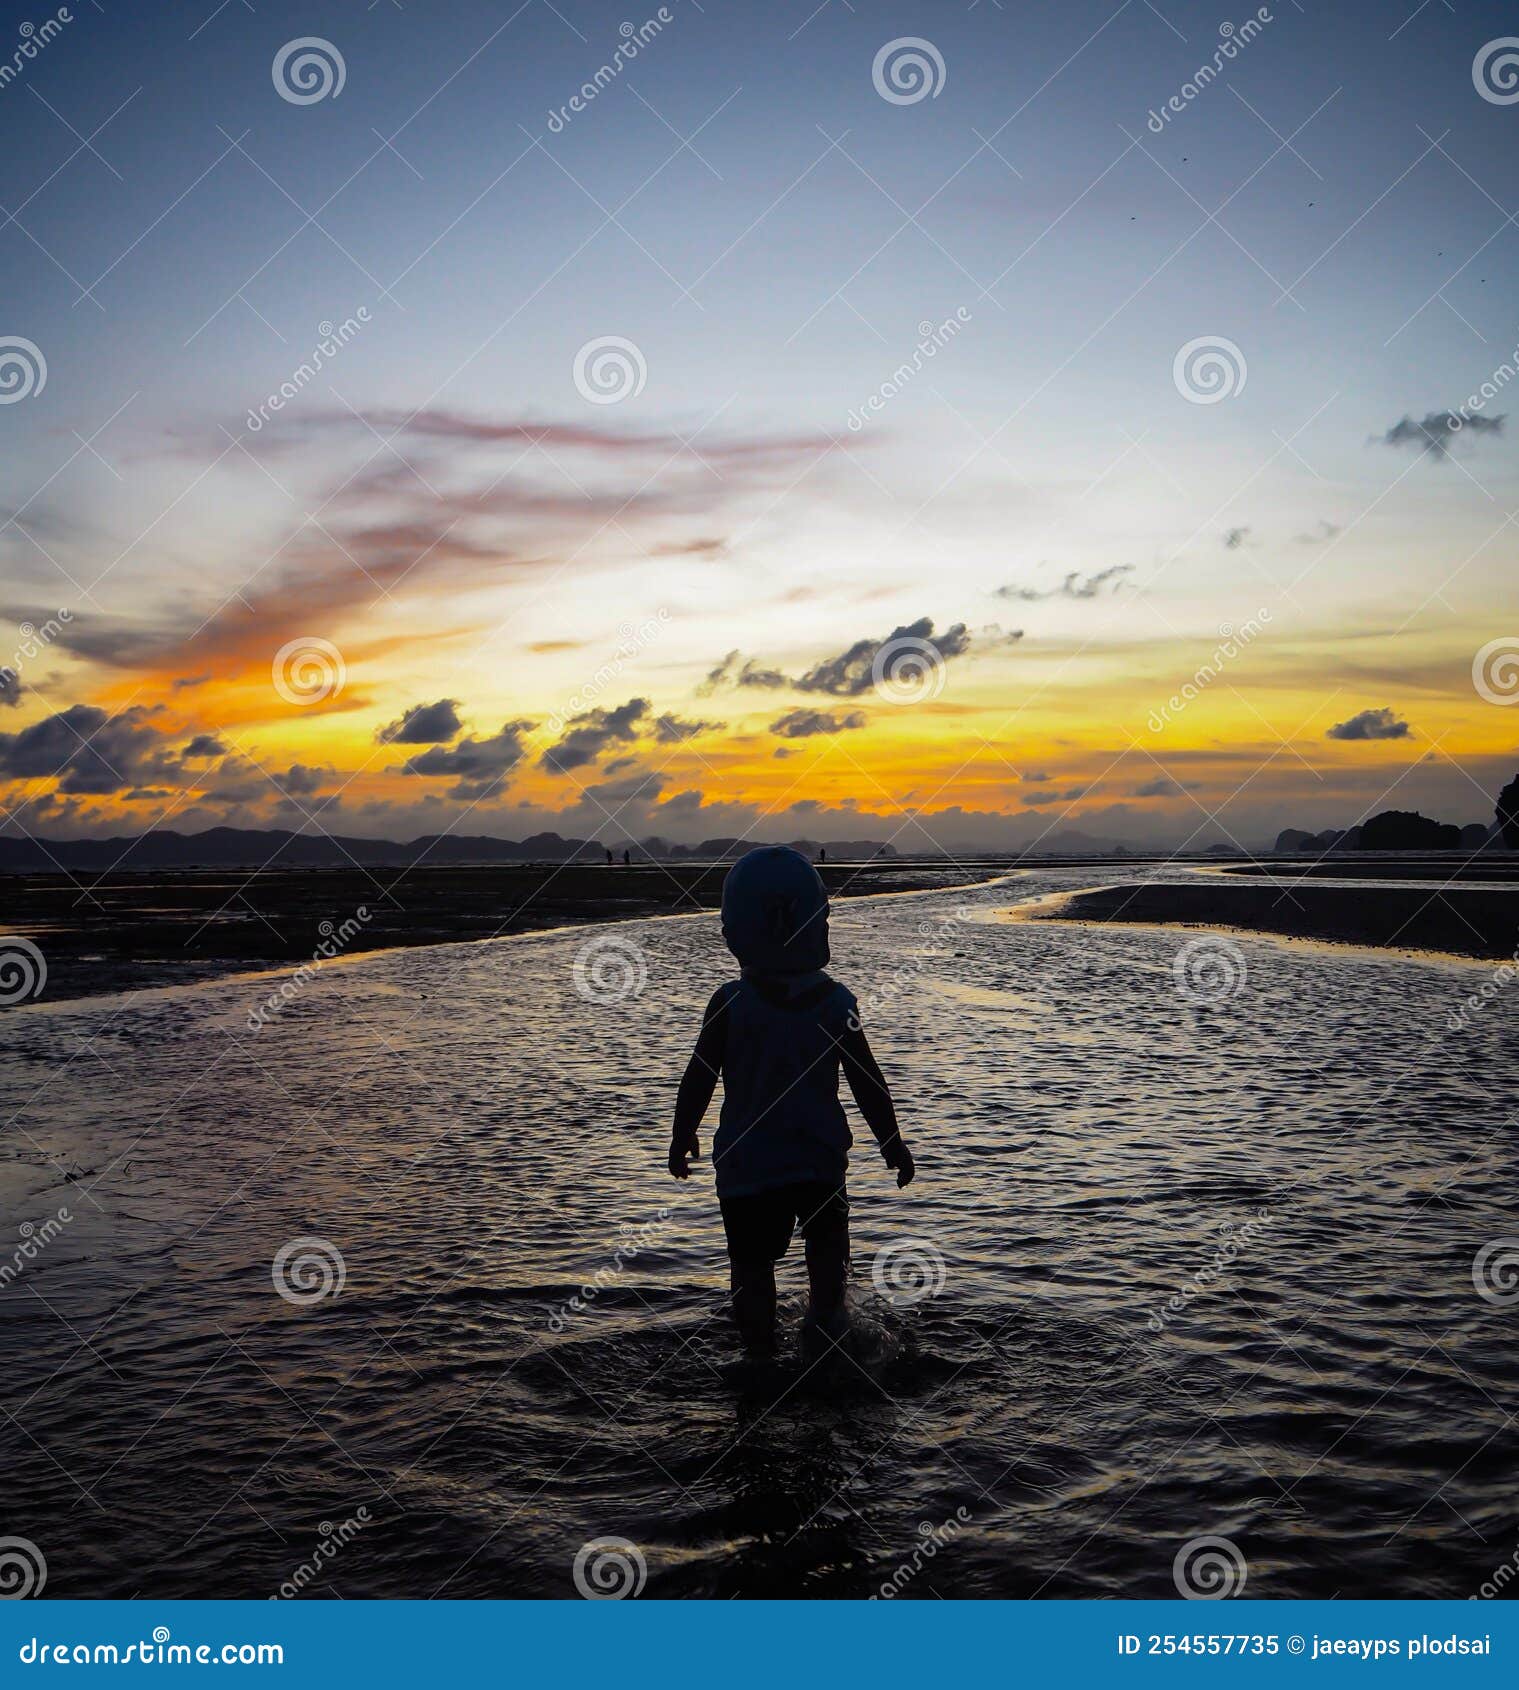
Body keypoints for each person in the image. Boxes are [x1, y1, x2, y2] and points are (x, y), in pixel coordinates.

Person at [668, 845, 915, 1357]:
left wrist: (682, 1133)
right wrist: (892, 1142)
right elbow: (868, 1080)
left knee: (751, 1265)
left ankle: (759, 1356)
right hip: (817, 1163)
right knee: (828, 1257)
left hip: (748, 1168)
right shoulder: (834, 1004)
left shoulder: (730, 1004)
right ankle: (827, 1336)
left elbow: (699, 1076)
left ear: (737, 930)